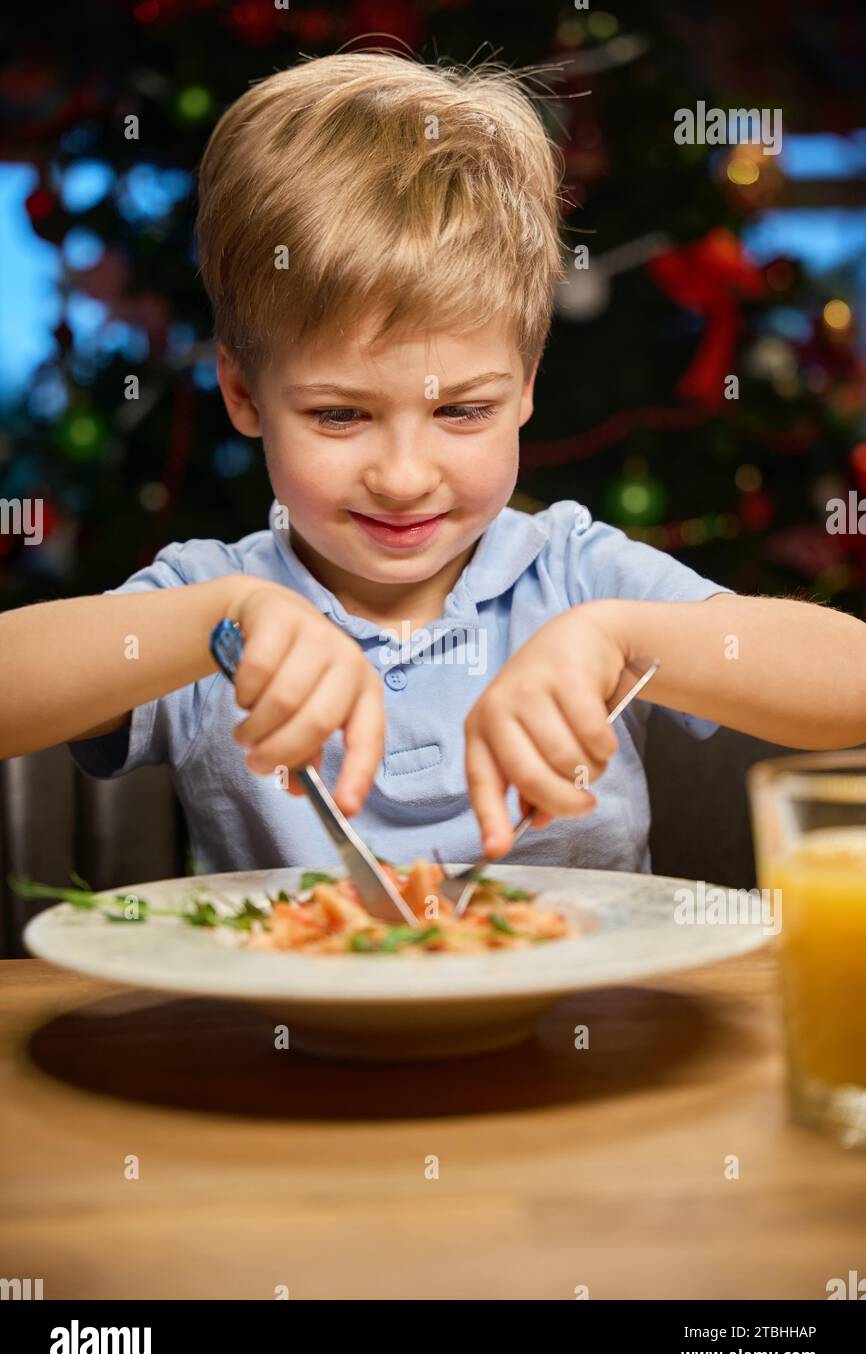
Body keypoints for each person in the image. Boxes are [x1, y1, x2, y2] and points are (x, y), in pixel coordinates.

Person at [3, 51, 865, 877]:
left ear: (525, 387)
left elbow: (850, 682)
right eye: (340, 414)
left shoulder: (574, 578)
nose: (406, 475)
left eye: (463, 411)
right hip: (288, 1030)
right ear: (243, 394)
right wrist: (213, 625)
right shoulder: (218, 604)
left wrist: (626, 640)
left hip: (593, 1022)